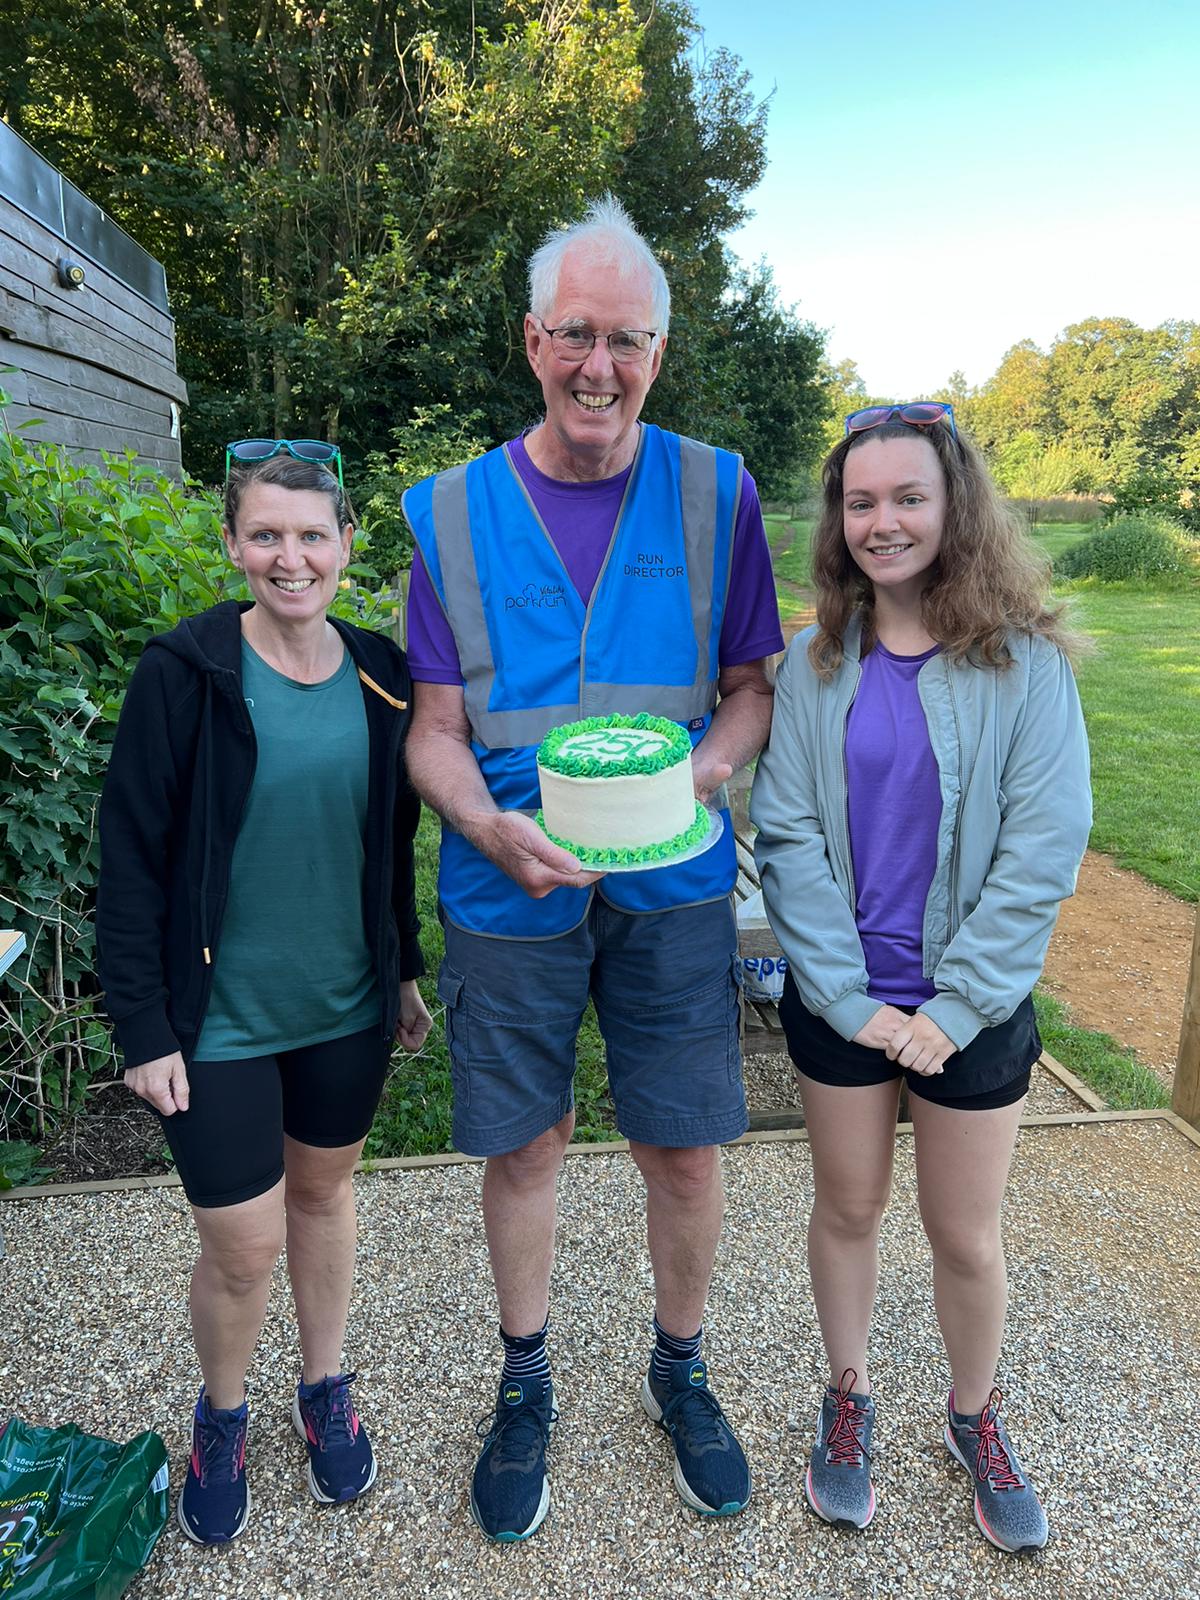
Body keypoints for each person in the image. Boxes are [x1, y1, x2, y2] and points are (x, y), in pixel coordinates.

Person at [403, 195, 782, 1541]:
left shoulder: (717, 492)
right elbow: (434, 735)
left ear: (660, 352)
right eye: (575, 334)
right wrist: (486, 825)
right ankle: (525, 1378)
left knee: (682, 1144)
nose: (599, 366)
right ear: (532, 341)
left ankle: (680, 1367)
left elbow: (751, 692)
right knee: (528, 1143)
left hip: (673, 887)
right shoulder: (452, 513)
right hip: (507, 885)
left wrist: (697, 777)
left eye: (626, 339)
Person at [750, 402, 1091, 1553]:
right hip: (843, 1004)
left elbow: (1044, 846)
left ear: (956, 508)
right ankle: (847, 1397)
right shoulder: (814, 666)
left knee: (965, 1236)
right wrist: (850, 1001)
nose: (882, 521)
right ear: (838, 521)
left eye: (907, 497)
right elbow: (789, 834)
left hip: (973, 1014)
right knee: (848, 1208)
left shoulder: (1026, 666)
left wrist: (956, 1006)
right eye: (861, 502)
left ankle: (974, 1414)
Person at [97, 442, 431, 1546]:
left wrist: (403, 967)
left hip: (343, 1007)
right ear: (235, 544)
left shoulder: (381, 671)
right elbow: (130, 859)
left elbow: (388, 841)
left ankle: (323, 1386)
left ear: (346, 545)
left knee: (324, 1198)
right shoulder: (185, 672)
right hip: (217, 1023)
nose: (292, 558)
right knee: (243, 1247)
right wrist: (142, 1027)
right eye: (267, 535)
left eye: (312, 535)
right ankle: (224, 1412)